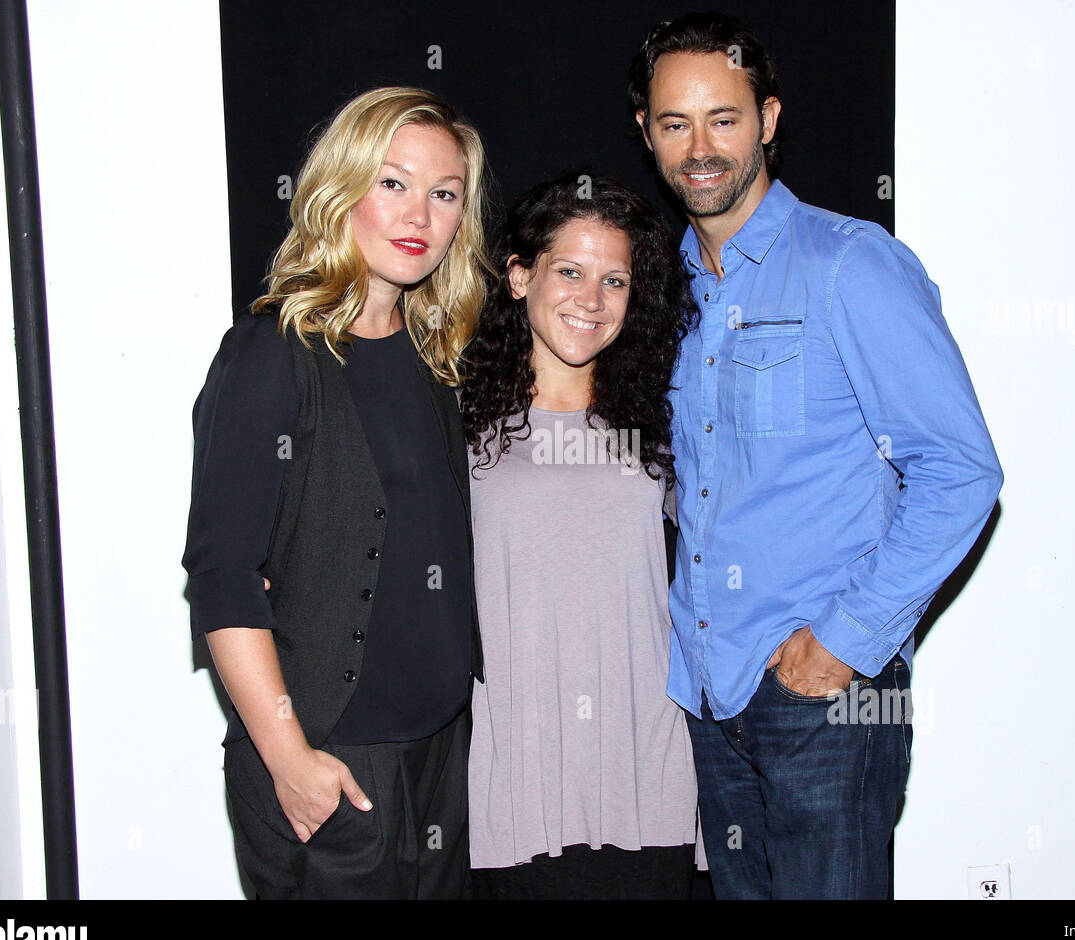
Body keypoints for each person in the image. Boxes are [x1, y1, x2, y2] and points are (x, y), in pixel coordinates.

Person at [629, 12, 1004, 899]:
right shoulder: (660, 290)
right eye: (674, 123)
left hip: (825, 698)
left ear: (767, 118)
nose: (701, 147)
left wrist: (842, 642)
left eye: (723, 117)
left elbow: (961, 470)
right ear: (646, 135)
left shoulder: (850, 265)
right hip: (711, 693)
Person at [181, 87, 493, 899]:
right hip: (332, 771)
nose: (418, 211)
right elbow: (224, 580)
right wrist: (291, 762)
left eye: (444, 192)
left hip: (439, 761)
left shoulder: (435, 361)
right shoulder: (268, 352)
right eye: (392, 182)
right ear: (339, 188)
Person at [460, 172, 702, 898]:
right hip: (514, 774)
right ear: (517, 275)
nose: (591, 300)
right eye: (569, 271)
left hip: (645, 765)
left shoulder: (663, 428)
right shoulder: (458, 430)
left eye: (615, 280)